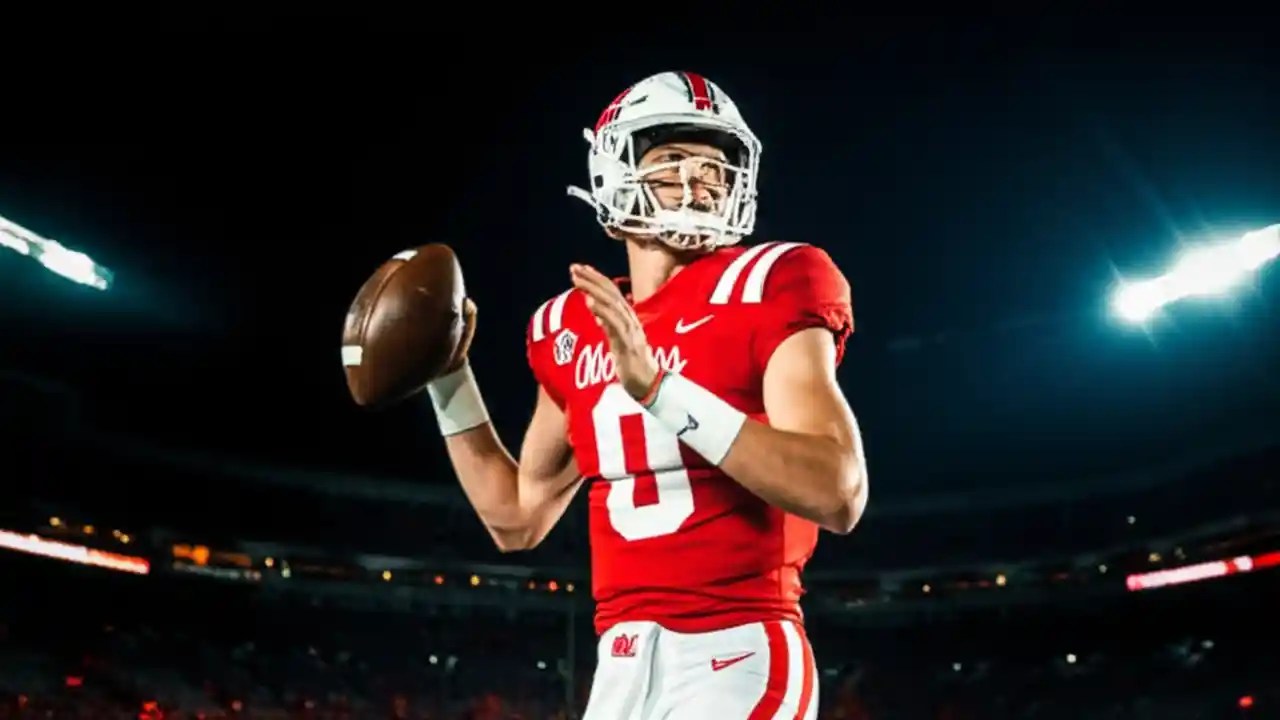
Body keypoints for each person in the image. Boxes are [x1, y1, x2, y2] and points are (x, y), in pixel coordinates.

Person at [425, 70, 868, 720]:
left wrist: (660, 389)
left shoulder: (772, 280)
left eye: (716, 166)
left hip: (738, 653)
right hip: (620, 668)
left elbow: (838, 491)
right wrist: (445, 377)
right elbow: (517, 518)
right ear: (613, 173)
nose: (701, 181)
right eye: (671, 162)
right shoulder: (571, 324)